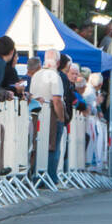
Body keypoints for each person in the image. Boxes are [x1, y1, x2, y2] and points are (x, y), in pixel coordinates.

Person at [30, 50, 67, 182]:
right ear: (57, 62)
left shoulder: (36, 75)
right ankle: (50, 177)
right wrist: (61, 118)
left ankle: (36, 176)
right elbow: (56, 100)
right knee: (53, 147)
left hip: (36, 115)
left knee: (37, 145)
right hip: (51, 116)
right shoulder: (54, 76)